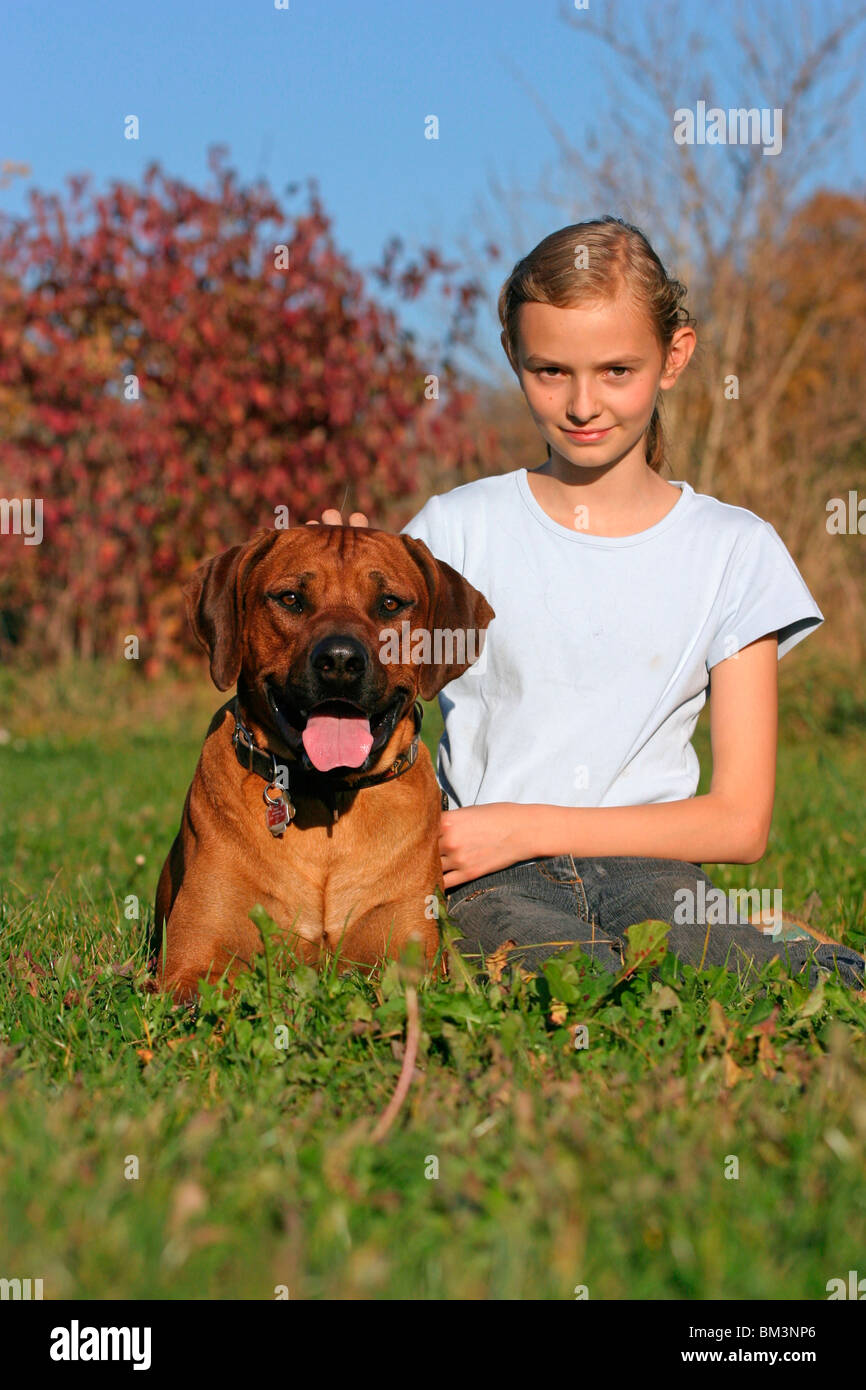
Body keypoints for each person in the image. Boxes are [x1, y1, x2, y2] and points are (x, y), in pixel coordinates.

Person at [314, 216, 864, 991]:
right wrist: (337, 585)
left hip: (655, 876)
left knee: (752, 977)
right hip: (486, 882)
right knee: (569, 983)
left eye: (615, 370)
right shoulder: (455, 530)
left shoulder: (735, 550)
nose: (581, 403)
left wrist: (526, 826)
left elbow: (741, 822)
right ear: (513, 356)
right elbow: (365, 676)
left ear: (675, 357)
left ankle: (786, 946)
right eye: (550, 371)